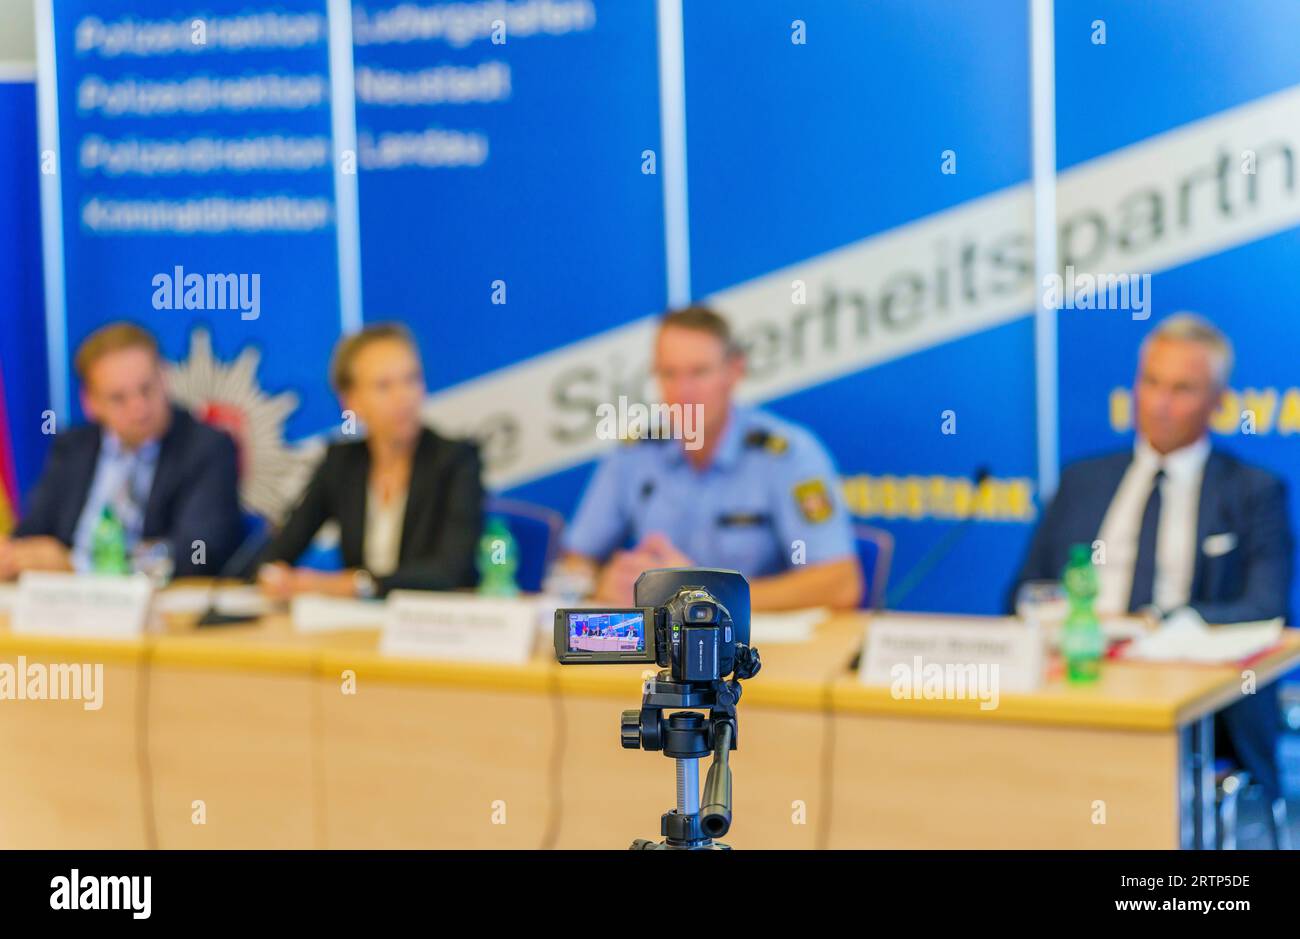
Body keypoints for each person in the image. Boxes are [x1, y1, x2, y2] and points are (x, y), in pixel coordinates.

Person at [1011, 313, 1293, 809]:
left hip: (1191, 704)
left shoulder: (1252, 491)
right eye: (1151, 382)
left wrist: (1151, 624)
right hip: (1076, 681)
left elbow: (1266, 606)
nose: (1160, 404)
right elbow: (1024, 594)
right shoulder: (1083, 481)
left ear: (1218, 402)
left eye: (1182, 389)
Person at [561, 305, 863, 610]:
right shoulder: (634, 454)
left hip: (755, 650)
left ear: (734, 371)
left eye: (699, 372)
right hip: (661, 649)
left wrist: (703, 596)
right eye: (669, 373)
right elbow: (575, 560)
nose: (683, 391)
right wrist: (599, 584)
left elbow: (840, 585)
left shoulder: (787, 455)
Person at [257, 323, 483, 599]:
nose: (404, 397)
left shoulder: (456, 461)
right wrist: (274, 577)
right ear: (351, 401)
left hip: (434, 628)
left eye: (411, 379)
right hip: (356, 630)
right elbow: (278, 553)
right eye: (384, 385)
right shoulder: (341, 463)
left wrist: (351, 585)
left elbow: (450, 571)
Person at [0, 322, 241, 580]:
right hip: (66, 609)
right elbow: (32, 534)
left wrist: (78, 566)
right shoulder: (72, 448)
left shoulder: (206, 446)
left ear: (165, 377)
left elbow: (199, 552)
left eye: (146, 389)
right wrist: (17, 556)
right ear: (91, 403)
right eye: (118, 398)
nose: (139, 408)